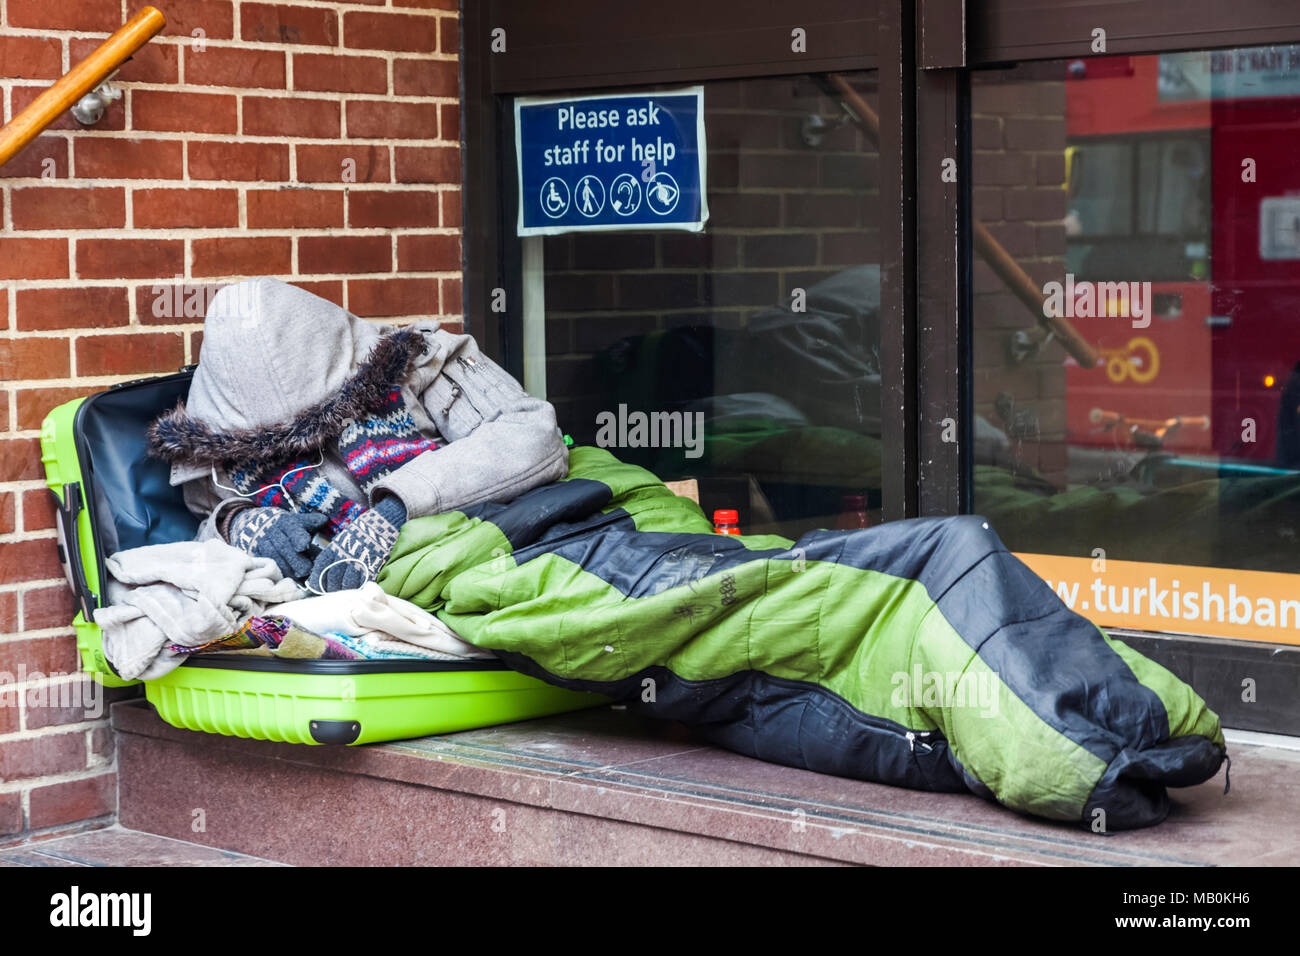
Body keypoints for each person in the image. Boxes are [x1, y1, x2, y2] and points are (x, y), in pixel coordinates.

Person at [148, 278, 568, 593]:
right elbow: (201, 524)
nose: (299, 445)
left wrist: (398, 509)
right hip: (332, 610)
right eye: (271, 446)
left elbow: (531, 434)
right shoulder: (216, 435)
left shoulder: (420, 362)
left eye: (318, 423)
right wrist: (238, 523)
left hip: (470, 561)